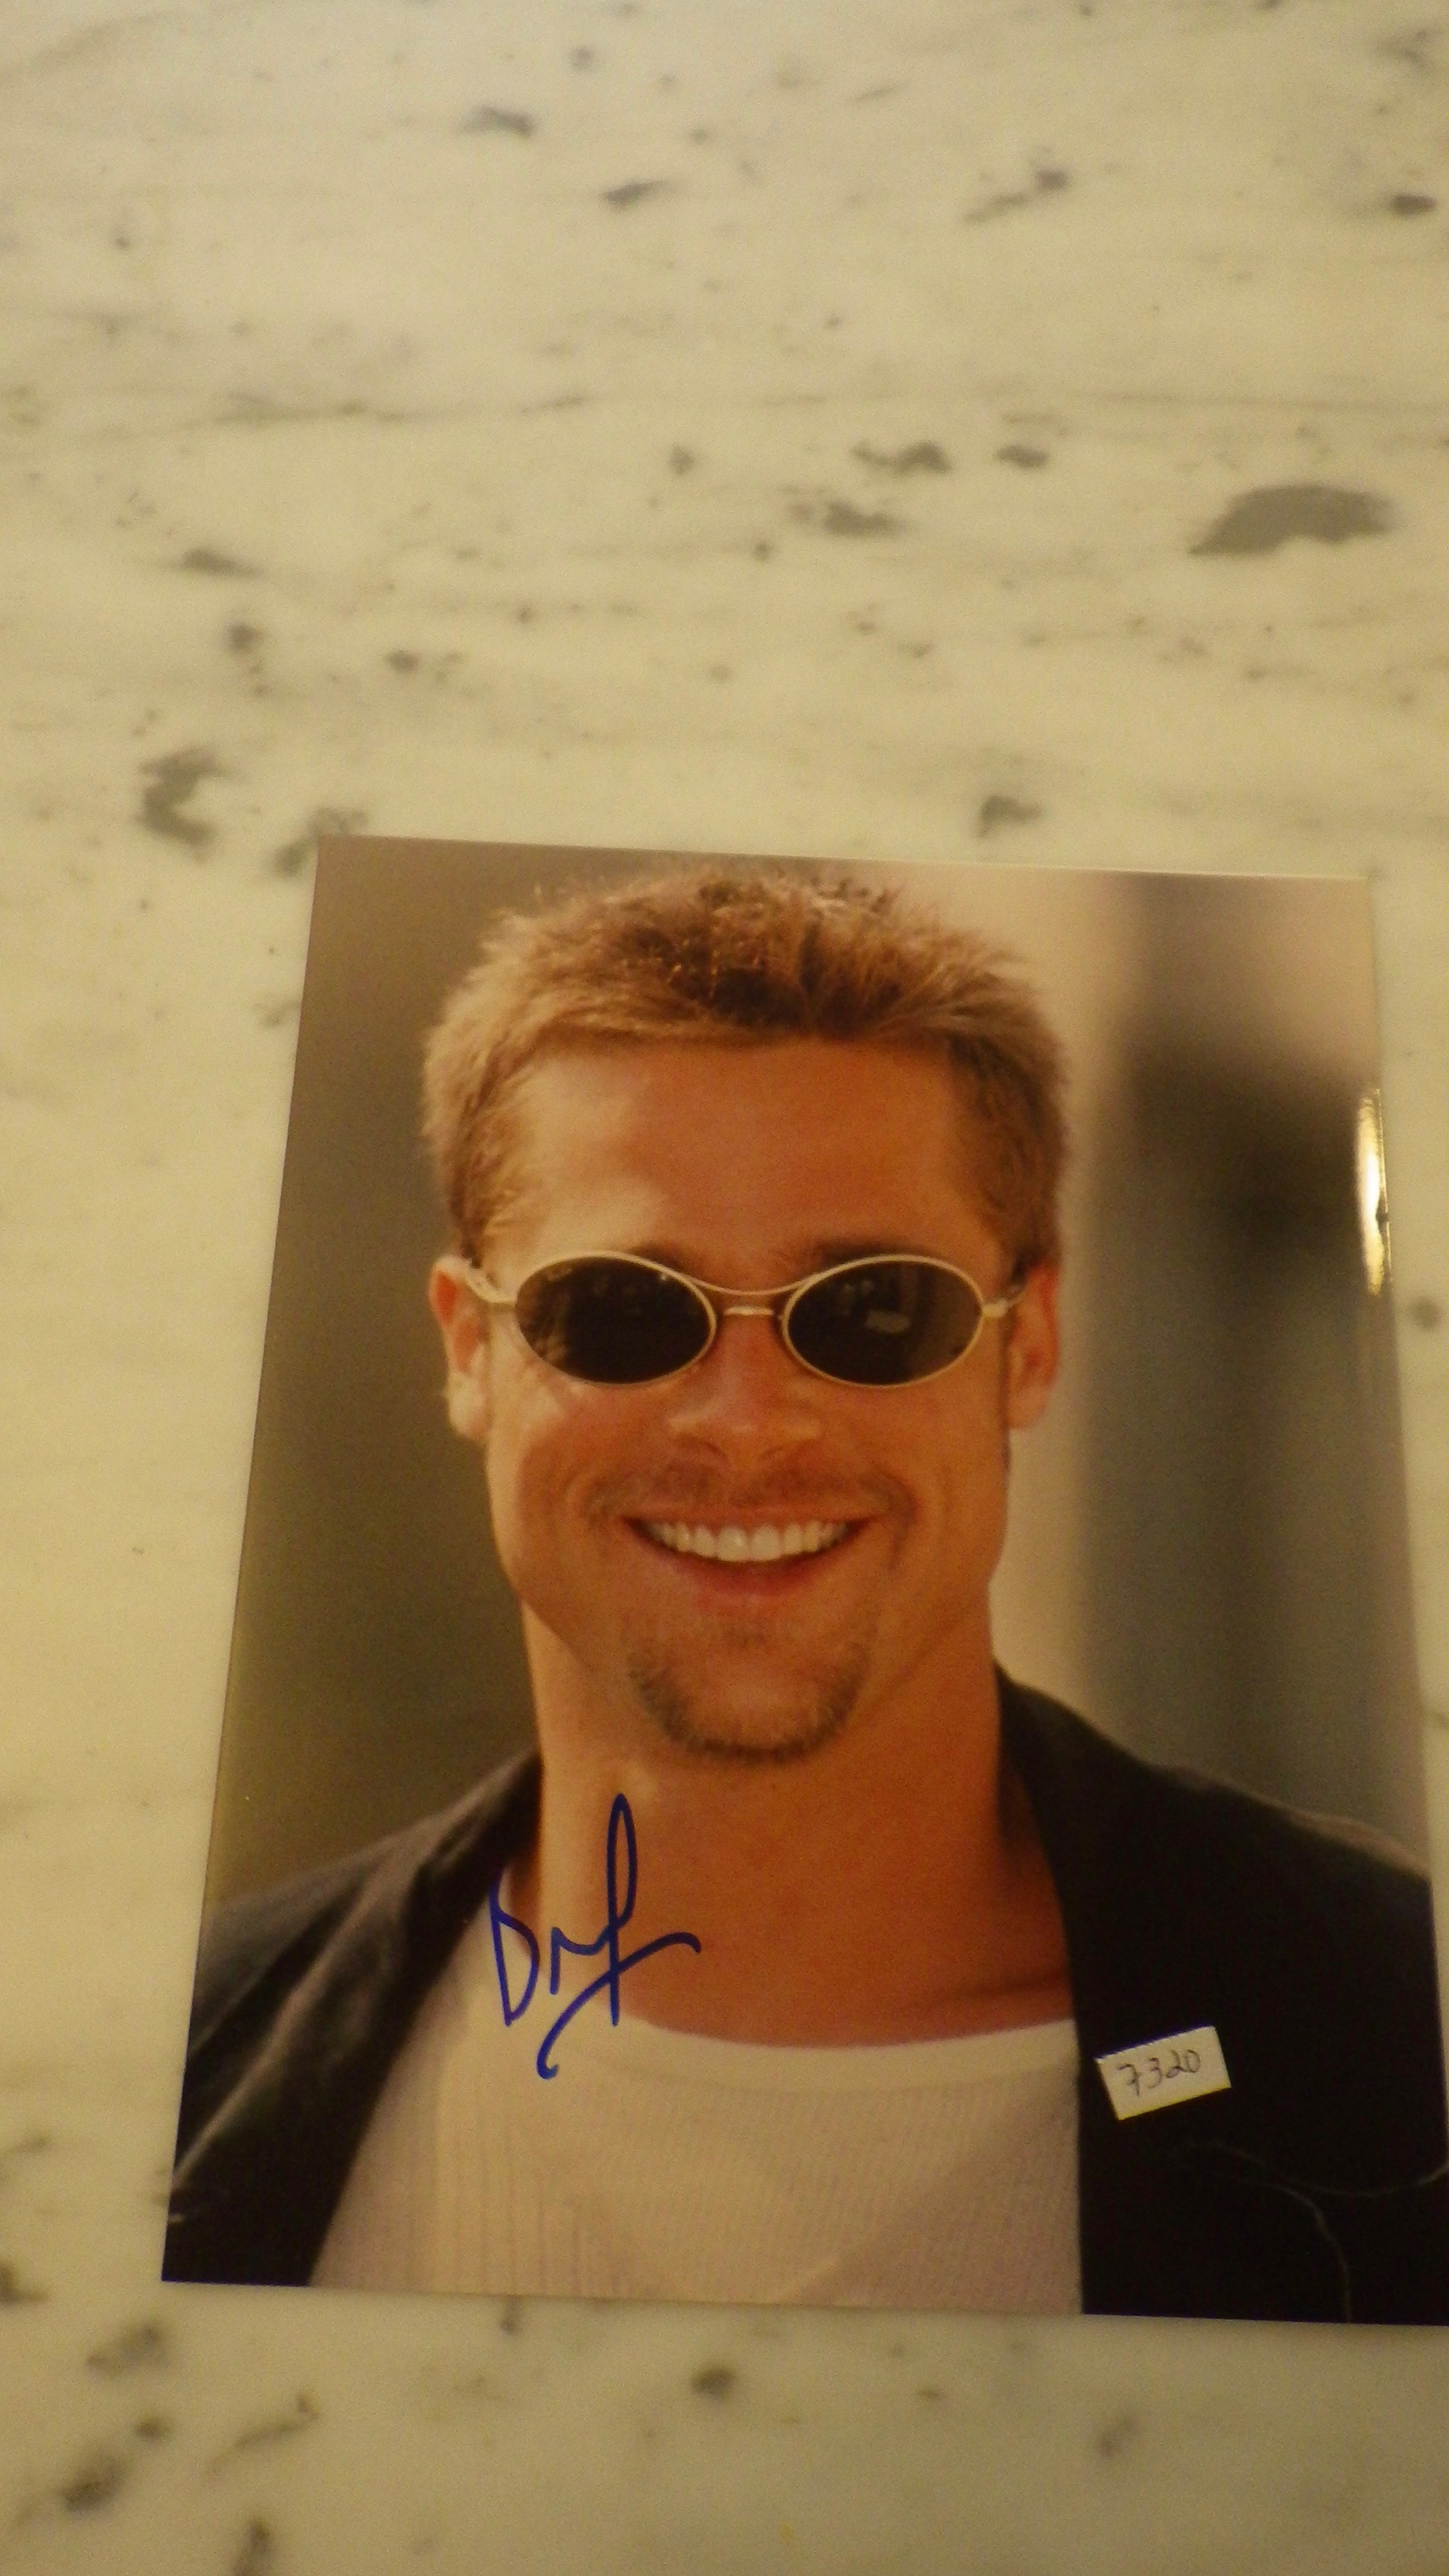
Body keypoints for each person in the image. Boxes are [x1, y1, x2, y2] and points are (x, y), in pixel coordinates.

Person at [164, 866, 1449, 2319]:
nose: (749, 1423)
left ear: (1029, 1345)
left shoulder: (1396, 2028)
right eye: (624, 1309)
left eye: (874, 1308)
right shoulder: (188, 2072)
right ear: (470, 1350)